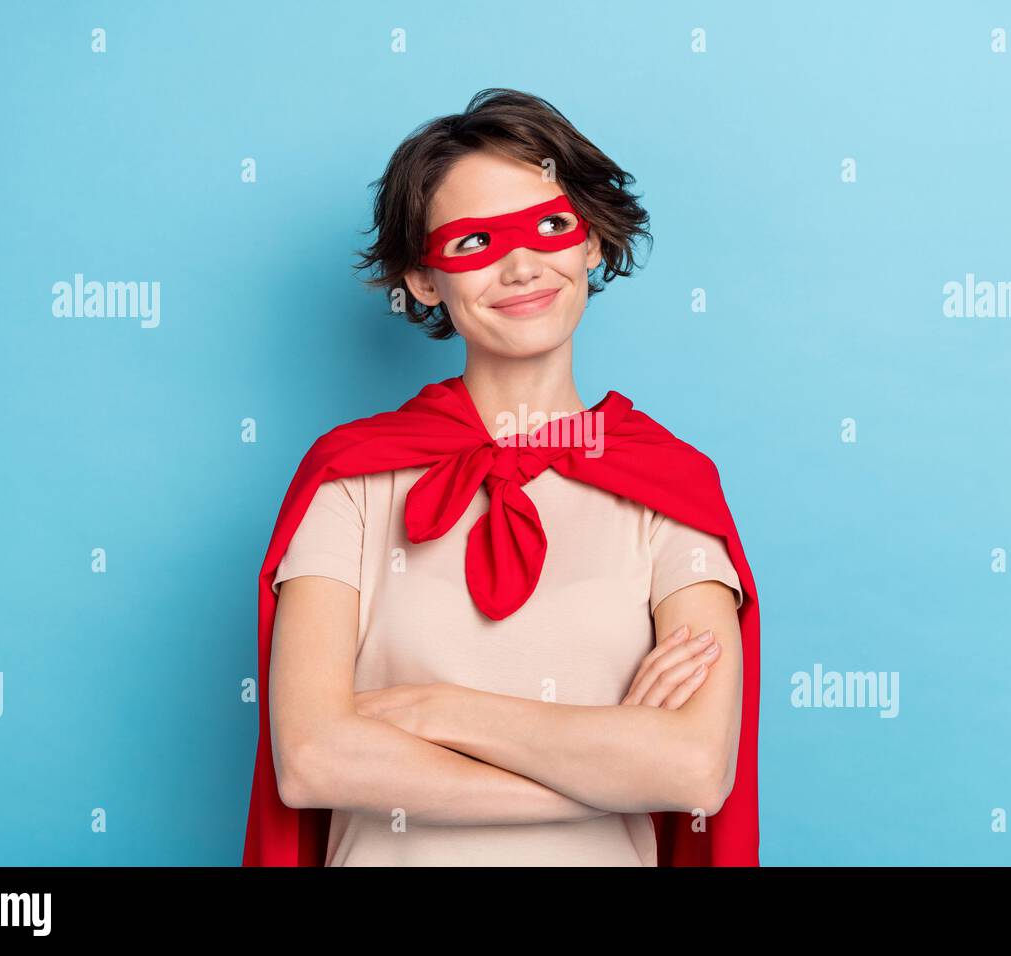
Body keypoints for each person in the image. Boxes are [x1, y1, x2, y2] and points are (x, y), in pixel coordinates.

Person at [249, 88, 758, 866]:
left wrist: (433, 710)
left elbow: (694, 768)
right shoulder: (347, 482)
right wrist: (608, 768)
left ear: (589, 243)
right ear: (424, 280)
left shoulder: (672, 486)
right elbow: (313, 760)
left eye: (551, 227)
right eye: (475, 242)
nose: (522, 266)